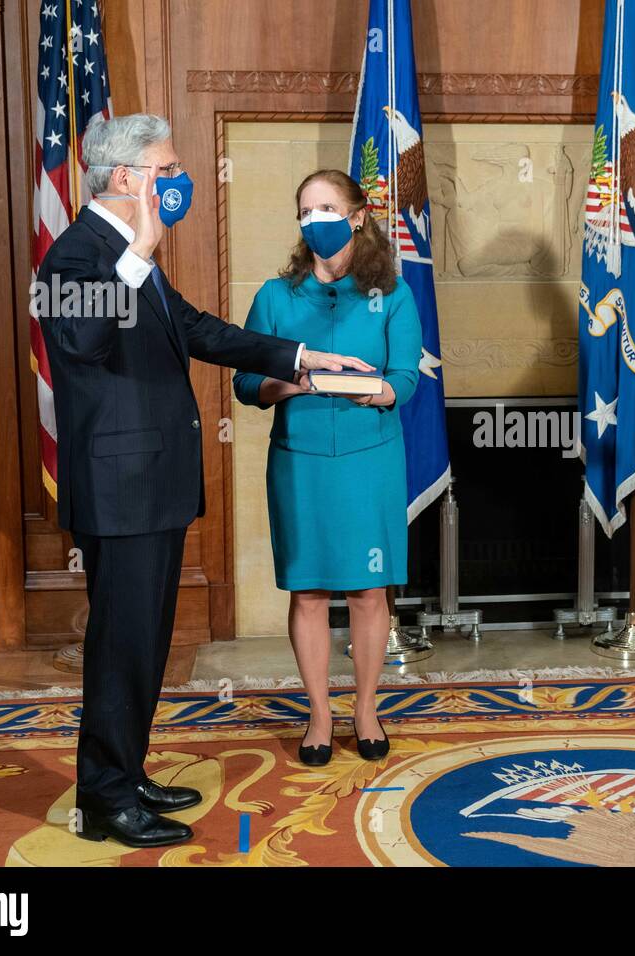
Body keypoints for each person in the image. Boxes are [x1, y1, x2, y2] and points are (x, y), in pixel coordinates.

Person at [37, 115, 373, 848]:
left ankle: (126, 773)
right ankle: (103, 800)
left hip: (152, 485)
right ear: (126, 177)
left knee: (148, 640)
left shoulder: (126, 252)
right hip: (120, 486)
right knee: (121, 644)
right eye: (169, 166)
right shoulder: (75, 257)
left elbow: (195, 329)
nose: (179, 179)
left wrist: (302, 357)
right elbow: (78, 343)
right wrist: (138, 258)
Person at [234, 169, 421, 767]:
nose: (315, 219)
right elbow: (244, 380)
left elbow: (407, 378)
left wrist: (380, 393)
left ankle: (365, 709)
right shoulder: (274, 295)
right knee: (309, 591)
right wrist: (294, 383)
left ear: (357, 215)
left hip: (370, 459)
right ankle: (319, 714)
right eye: (306, 210)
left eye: (327, 208)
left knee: (369, 590)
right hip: (302, 462)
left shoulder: (393, 292)